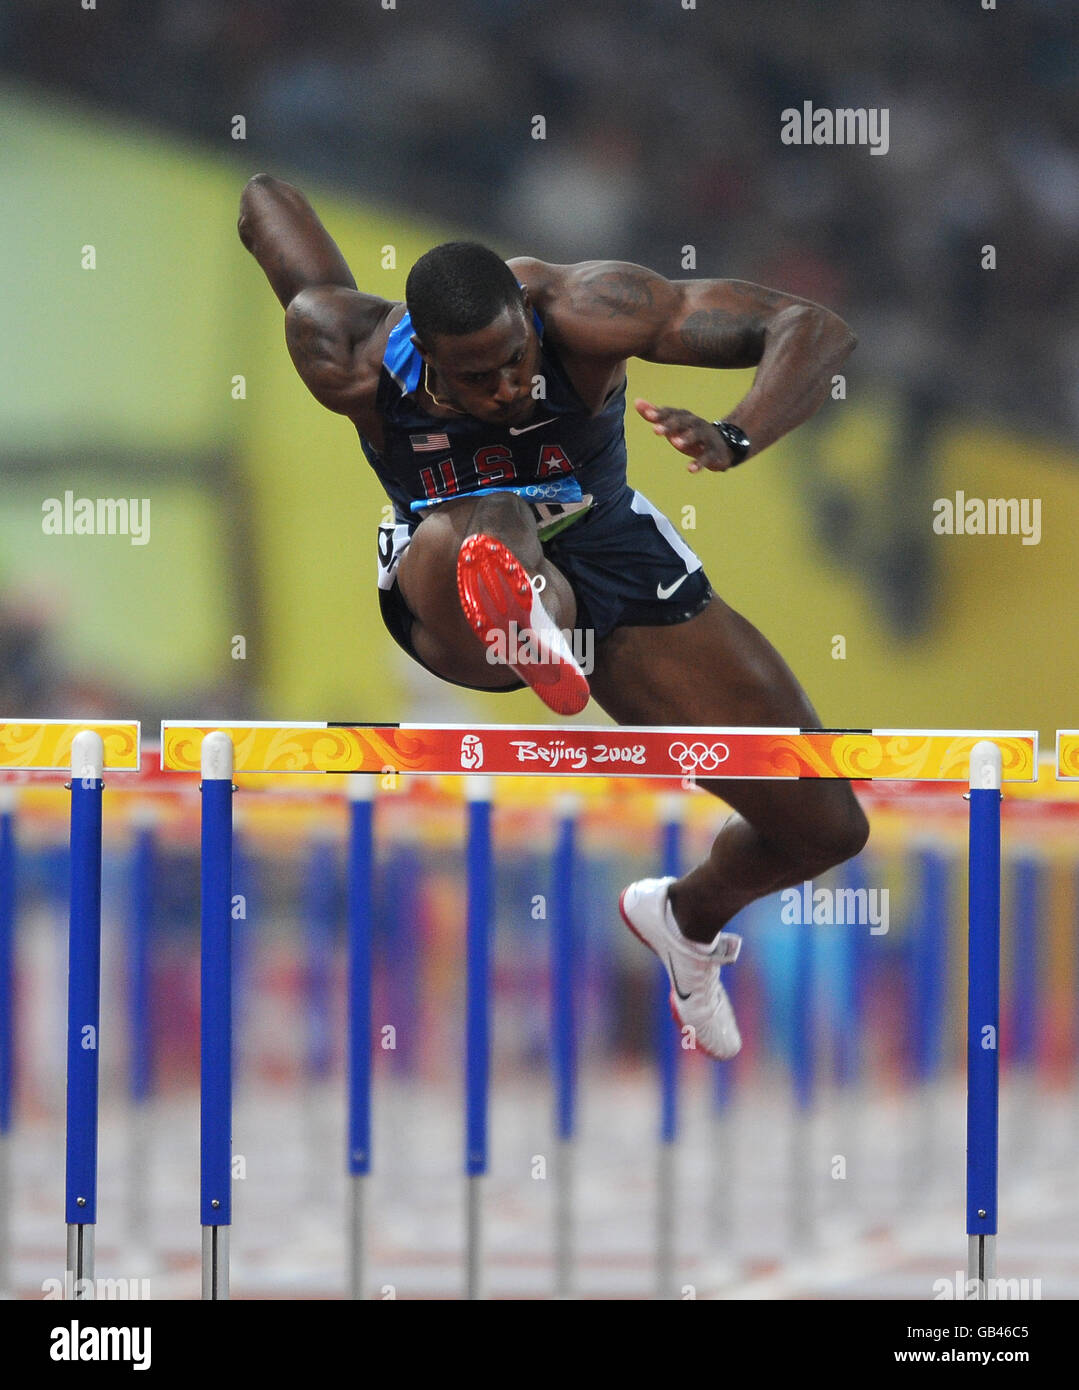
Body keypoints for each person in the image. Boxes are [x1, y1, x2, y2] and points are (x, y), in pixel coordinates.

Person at [238, 173, 869, 1059]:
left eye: (515, 361)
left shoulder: (584, 308)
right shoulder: (350, 351)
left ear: (527, 321)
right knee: (489, 522)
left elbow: (812, 328)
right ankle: (524, 613)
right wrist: (261, 178)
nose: (506, 388)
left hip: (612, 550)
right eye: (476, 378)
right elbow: (267, 212)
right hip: (446, 583)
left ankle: (680, 917)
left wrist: (735, 435)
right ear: (422, 351)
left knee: (825, 826)